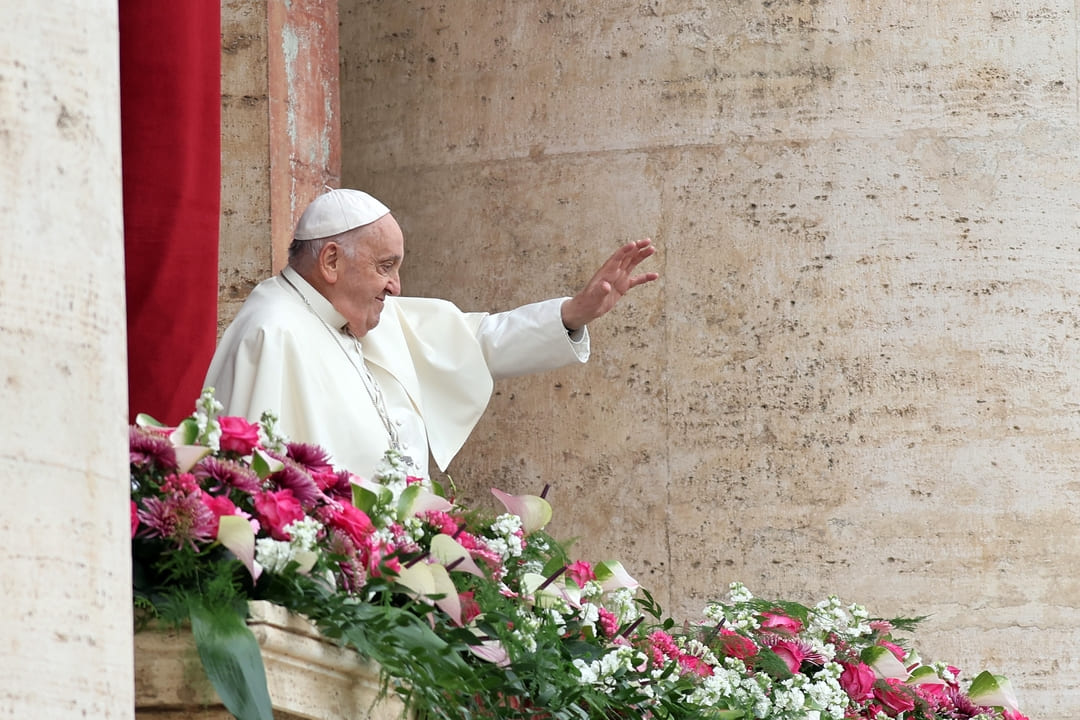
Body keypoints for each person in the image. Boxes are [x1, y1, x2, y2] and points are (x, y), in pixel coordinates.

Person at [204, 188, 658, 480]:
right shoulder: (271, 331)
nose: (396, 287)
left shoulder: (373, 316)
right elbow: (245, 480)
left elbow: (480, 341)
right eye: (385, 267)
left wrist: (574, 313)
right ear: (330, 262)